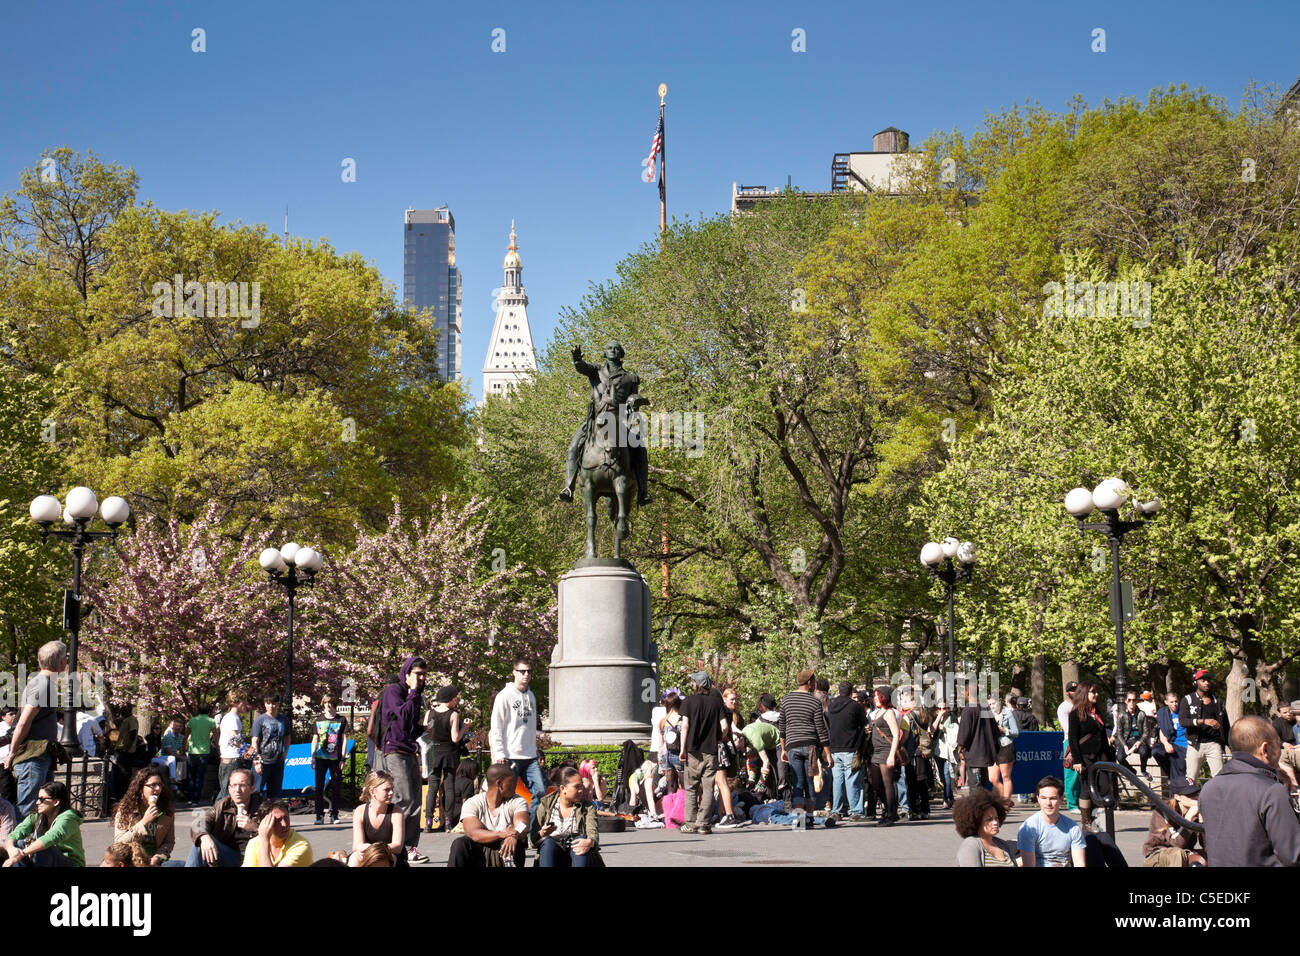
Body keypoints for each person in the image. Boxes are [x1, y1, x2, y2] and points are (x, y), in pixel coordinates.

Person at [1200, 715, 1300, 866]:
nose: (1279, 751)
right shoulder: (1271, 791)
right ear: (1265, 749)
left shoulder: (1208, 788)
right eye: (1278, 746)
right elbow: (1293, 856)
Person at [2, 641, 67, 817]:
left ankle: (36, 844)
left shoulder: (44, 683)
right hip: (32, 758)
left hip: (39, 756)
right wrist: (12, 752)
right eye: (65, 658)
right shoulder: (42, 685)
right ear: (61, 662)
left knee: (41, 810)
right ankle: (19, 845)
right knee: (28, 811)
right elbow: (23, 722)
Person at [380, 656, 429, 863]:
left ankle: (409, 847)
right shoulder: (394, 690)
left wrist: (424, 729)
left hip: (409, 750)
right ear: (407, 674)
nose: (421, 678)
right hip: (394, 751)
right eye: (417, 674)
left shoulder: (415, 695)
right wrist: (413, 693)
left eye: (424, 674)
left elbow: (408, 725)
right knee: (404, 798)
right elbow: (402, 715)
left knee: (416, 801)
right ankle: (393, 845)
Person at [489, 658, 546, 824]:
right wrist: (499, 752)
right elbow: (496, 726)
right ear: (514, 672)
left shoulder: (531, 695)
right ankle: (505, 830)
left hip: (529, 755)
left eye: (529, 671)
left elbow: (530, 726)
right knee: (506, 795)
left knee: (541, 791)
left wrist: (535, 747)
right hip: (510, 755)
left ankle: (530, 833)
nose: (526, 674)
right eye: (522, 671)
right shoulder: (504, 696)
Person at [677, 672, 731, 833]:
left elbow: (684, 726)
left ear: (697, 685)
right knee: (708, 787)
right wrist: (719, 738)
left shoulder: (688, 701)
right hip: (711, 751)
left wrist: (682, 749)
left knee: (691, 787)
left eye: (693, 682)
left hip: (693, 750)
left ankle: (691, 823)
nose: (692, 684)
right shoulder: (716, 703)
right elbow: (724, 727)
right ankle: (704, 824)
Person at [448, 763, 528, 867]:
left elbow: (523, 824)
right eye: (512, 782)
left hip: (505, 848)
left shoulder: (517, 801)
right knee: (459, 844)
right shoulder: (473, 802)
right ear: (500, 784)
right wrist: (502, 834)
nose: (515, 785)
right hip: (479, 851)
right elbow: (474, 833)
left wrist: (514, 834)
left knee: (516, 844)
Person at [779, 669, 831, 819]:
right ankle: (809, 817)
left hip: (792, 746)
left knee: (797, 782)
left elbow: (782, 727)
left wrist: (783, 749)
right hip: (810, 746)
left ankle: (800, 821)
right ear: (809, 683)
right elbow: (821, 729)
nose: (815, 684)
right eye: (814, 681)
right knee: (809, 782)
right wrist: (828, 753)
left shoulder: (786, 699)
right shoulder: (814, 701)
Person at [186, 768, 263, 867]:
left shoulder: (263, 807)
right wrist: (204, 838)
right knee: (200, 842)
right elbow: (199, 822)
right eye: (234, 785)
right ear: (229, 789)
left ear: (252, 788)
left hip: (254, 857)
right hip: (228, 855)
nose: (237, 790)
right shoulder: (223, 805)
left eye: (242, 785)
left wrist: (255, 828)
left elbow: (278, 836)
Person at [532, 765, 603, 867]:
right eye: (577, 787)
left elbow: (592, 832)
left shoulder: (587, 807)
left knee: (580, 841)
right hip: (552, 851)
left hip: (577, 850)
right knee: (547, 844)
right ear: (563, 788)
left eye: (581, 786)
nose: (581, 790)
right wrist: (542, 833)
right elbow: (533, 840)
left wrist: (590, 842)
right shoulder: (545, 805)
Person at [1068, 682, 1115, 833]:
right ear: (1084, 694)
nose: (1096, 695)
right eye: (1093, 692)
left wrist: (1110, 757)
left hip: (1100, 755)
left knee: (1103, 786)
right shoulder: (1075, 714)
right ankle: (1086, 821)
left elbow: (1102, 735)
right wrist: (1077, 760)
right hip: (1085, 757)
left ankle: (1094, 817)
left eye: (1096, 692)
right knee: (1086, 788)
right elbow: (1073, 738)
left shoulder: (1097, 712)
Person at [1, 780, 83, 867]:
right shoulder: (37, 816)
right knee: (19, 843)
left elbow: (50, 838)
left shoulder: (68, 818)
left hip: (71, 863)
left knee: (42, 848)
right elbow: (15, 834)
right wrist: (11, 849)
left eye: (42, 799)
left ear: (56, 802)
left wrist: (20, 855)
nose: (37, 802)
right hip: (47, 861)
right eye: (38, 799)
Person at [424, 684, 469, 832]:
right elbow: (455, 738)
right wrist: (465, 728)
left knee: (432, 788)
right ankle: (448, 821)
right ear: (450, 698)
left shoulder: (429, 713)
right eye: (456, 698)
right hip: (449, 752)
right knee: (449, 787)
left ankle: (429, 822)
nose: (457, 701)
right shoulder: (453, 714)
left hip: (432, 752)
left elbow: (425, 734)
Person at [1016, 776, 1087, 867]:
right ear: (1038, 799)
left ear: (1061, 799)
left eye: (1053, 798)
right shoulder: (1028, 828)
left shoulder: (1073, 827)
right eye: (1044, 798)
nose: (1048, 803)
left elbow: (1079, 863)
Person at [111, 766, 176, 866]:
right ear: (141, 788)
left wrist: (158, 857)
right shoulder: (126, 809)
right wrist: (144, 822)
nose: (158, 789)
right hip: (131, 861)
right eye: (153, 785)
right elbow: (119, 842)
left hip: (156, 861)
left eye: (160, 785)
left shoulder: (166, 810)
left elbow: (169, 842)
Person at [1179, 669, 1230, 783]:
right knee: (1190, 779)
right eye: (1203, 680)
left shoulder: (1217, 701)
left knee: (1220, 779)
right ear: (1196, 682)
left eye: (1208, 680)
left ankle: (1217, 800)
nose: (1207, 682)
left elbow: (1225, 724)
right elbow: (1182, 721)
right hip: (1195, 744)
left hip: (1214, 744)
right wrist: (1203, 721)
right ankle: (1190, 799)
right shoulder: (1187, 700)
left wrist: (1229, 745)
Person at [827, 681, 866, 821]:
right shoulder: (855, 706)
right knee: (852, 780)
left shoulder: (830, 706)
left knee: (837, 780)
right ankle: (856, 811)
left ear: (838, 691)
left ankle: (836, 811)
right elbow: (864, 724)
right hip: (851, 747)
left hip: (834, 748)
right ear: (851, 693)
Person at [1142, 783, 1205, 867]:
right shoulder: (1164, 811)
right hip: (1158, 854)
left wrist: (1202, 822)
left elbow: (1208, 846)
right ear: (1177, 796)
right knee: (1177, 854)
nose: (1196, 798)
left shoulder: (1196, 812)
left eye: (1197, 794)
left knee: (1213, 855)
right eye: (1190, 795)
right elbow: (1176, 844)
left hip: (1184, 853)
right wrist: (1188, 819)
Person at [352, 770, 407, 866]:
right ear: (373, 792)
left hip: (391, 854)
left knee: (383, 860)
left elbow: (397, 846)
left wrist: (375, 851)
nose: (391, 793)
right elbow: (357, 845)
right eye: (386, 790)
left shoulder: (397, 812)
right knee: (354, 858)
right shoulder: (359, 811)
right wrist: (365, 849)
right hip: (368, 854)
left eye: (392, 789)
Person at [954, 789, 1020, 866]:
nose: (995, 822)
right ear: (977, 821)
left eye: (996, 818)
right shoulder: (970, 846)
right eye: (989, 819)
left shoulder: (1002, 844)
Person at [310, 692, 348, 825]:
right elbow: (315, 738)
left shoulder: (341, 720)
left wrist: (343, 758)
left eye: (330, 703)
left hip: (335, 758)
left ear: (334, 704)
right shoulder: (318, 720)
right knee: (319, 787)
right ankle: (319, 815)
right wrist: (313, 756)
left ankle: (334, 814)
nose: (327, 705)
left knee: (336, 786)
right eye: (325, 703)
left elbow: (344, 739)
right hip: (321, 757)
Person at [867, 686, 902, 827]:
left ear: (884, 697)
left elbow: (895, 735)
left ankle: (890, 814)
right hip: (876, 751)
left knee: (888, 784)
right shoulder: (876, 713)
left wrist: (892, 755)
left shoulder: (889, 713)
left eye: (877, 696)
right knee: (875, 783)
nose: (875, 698)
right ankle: (889, 808)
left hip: (886, 751)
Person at [956, 682, 998, 794]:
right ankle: (985, 808)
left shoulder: (968, 710)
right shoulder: (986, 708)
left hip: (974, 755)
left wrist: (960, 748)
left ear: (967, 693)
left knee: (975, 788)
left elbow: (964, 734)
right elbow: (995, 731)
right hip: (986, 755)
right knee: (983, 786)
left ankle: (978, 809)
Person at [243, 800, 313, 867]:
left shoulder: (301, 845)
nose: (284, 824)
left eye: (286, 818)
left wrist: (264, 841)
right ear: (264, 823)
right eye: (277, 820)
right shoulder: (254, 843)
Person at [250, 695, 289, 800]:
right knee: (256, 792)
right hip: (263, 761)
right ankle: (254, 814)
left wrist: (286, 752)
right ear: (265, 704)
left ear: (278, 704)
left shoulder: (284, 720)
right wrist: (257, 761)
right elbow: (254, 740)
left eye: (274, 703)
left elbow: (287, 737)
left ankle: (273, 815)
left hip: (278, 761)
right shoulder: (260, 720)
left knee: (275, 794)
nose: (271, 706)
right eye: (268, 703)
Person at [741, 698, 781, 796]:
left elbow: (766, 762)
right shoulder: (744, 736)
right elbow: (751, 761)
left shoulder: (754, 738)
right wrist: (751, 779)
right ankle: (768, 795)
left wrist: (761, 783)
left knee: (778, 771)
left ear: (741, 739)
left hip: (778, 742)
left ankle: (783, 799)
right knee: (758, 764)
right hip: (766, 743)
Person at [217, 692, 251, 802]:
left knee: (225, 793)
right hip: (232, 760)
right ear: (237, 702)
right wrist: (252, 753)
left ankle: (218, 816)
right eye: (244, 701)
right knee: (226, 795)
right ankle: (214, 817)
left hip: (228, 760)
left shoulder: (229, 717)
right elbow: (235, 740)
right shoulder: (232, 719)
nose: (246, 704)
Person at [1115, 690, 1155, 782]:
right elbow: (1119, 733)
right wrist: (1124, 745)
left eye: (1134, 700)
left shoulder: (1141, 714)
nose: (1131, 702)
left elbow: (1146, 732)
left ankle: (1143, 770)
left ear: (1137, 701)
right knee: (1119, 758)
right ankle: (1132, 771)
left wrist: (1140, 741)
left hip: (1139, 739)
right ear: (1126, 701)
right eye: (1129, 700)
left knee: (1144, 751)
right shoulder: (1121, 715)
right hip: (1127, 740)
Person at [1155, 691, 1189, 793]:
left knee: (1178, 771)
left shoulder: (1184, 711)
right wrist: (1166, 743)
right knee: (1156, 751)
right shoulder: (1163, 713)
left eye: (1176, 701)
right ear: (1166, 702)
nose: (1174, 704)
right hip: (1171, 742)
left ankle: (1177, 795)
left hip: (1183, 744)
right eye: (1172, 702)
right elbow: (1162, 732)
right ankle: (1169, 774)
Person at [184, 702, 217, 803]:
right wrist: (219, 749)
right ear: (208, 710)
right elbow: (216, 735)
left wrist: (182, 747)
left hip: (192, 751)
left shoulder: (192, 720)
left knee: (191, 775)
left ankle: (190, 798)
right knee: (200, 776)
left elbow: (186, 735)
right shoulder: (211, 721)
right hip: (204, 752)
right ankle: (196, 799)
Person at [989, 695, 1018, 801]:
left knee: (1005, 776)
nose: (992, 706)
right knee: (992, 778)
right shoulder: (988, 715)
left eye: (994, 703)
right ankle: (1007, 800)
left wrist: (1004, 730)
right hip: (993, 747)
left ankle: (1005, 802)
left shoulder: (1008, 713)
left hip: (1006, 746)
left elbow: (1016, 732)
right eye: (990, 704)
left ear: (999, 702)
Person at [1056, 681, 1080, 809]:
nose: (1075, 692)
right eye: (1072, 690)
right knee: (1071, 773)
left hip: (1081, 741)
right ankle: (1072, 804)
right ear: (1067, 693)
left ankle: (1082, 801)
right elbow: (1068, 729)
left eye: (1076, 690)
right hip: (1069, 742)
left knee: (1080, 773)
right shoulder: (1063, 708)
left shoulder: (1081, 706)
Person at [932, 700, 958, 809]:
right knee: (942, 776)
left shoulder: (953, 718)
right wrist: (939, 717)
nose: (942, 710)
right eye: (940, 708)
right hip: (938, 750)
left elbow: (956, 732)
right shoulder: (936, 717)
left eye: (944, 708)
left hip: (948, 750)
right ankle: (951, 797)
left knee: (947, 775)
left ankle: (946, 799)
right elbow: (932, 730)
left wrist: (946, 729)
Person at [151, 716, 186, 791]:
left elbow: (182, 750)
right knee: (174, 759)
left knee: (186, 760)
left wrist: (184, 756)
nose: (178, 728)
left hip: (173, 757)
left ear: (182, 727)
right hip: (165, 756)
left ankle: (182, 784)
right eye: (176, 726)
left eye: (180, 726)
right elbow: (168, 752)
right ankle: (173, 781)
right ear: (173, 727)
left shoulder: (182, 737)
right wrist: (180, 757)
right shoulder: (167, 737)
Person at [658, 691, 684, 775]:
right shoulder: (682, 720)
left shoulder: (663, 721)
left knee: (670, 783)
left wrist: (659, 760)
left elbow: (660, 744)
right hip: (679, 754)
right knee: (682, 783)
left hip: (666, 755)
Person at [0, 706, 18, 805]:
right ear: (3, 717)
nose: (14, 716)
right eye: (10, 714)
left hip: (16, 763)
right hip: (3, 765)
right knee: (6, 792)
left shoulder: (19, 727)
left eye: (15, 713)